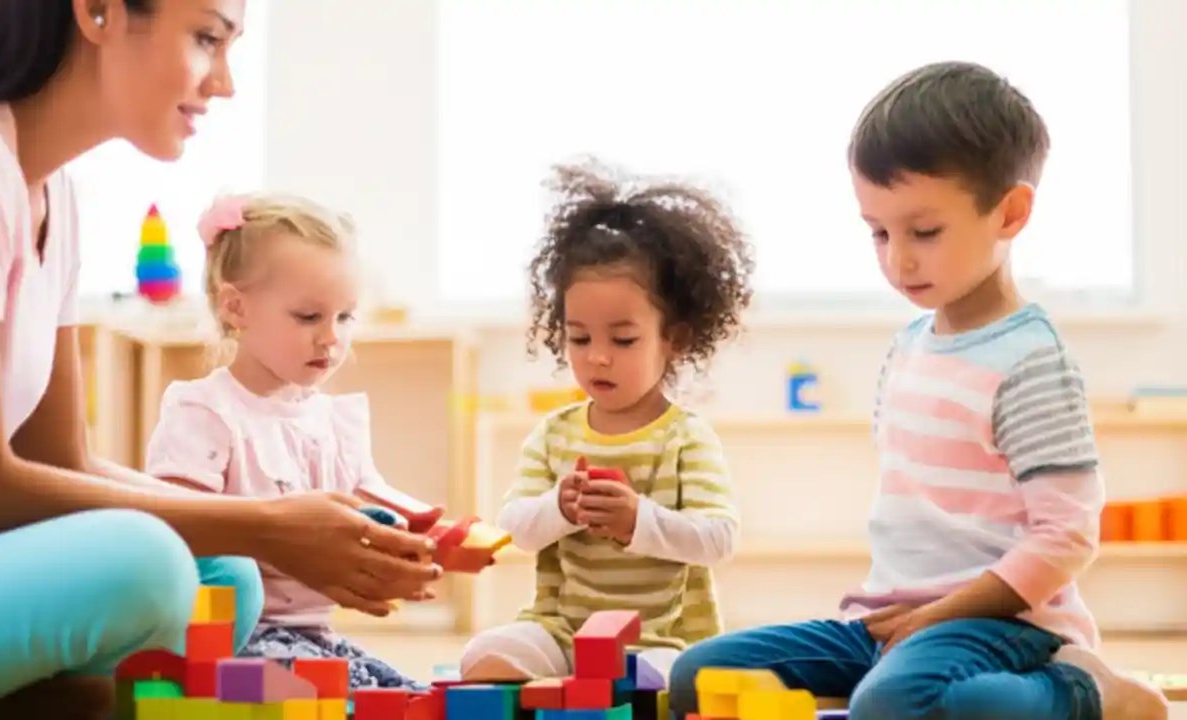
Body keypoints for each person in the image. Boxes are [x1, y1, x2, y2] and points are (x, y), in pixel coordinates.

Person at [0, 2, 437, 717]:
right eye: (206, 39)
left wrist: (272, 522)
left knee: (228, 577)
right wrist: (273, 524)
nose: (225, 84)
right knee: (149, 563)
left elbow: (60, 458)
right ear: (96, 11)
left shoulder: (53, 194)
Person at [668, 61, 1169, 720]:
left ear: (1010, 212)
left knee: (898, 700)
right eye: (879, 231)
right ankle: (901, 684)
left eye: (924, 232)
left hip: (1005, 627)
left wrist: (940, 615)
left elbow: (1066, 536)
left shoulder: (1030, 362)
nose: (897, 260)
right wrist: (909, 621)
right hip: (891, 618)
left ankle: (1090, 692)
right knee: (697, 673)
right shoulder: (908, 348)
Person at [459, 158, 753, 684]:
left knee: (668, 683)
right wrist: (561, 507)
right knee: (483, 656)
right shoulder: (554, 434)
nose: (597, 357)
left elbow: (718, 539)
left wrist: (635, 520)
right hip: (561, 633)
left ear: (675, 338)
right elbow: (515, 530)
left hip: (657, 639)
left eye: (622, 340)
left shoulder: (685, 437)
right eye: (579, 338)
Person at [144, 192, 434, 691]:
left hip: (314, 635)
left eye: (345, 317)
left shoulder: (335, 418)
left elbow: (370, 498)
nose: (331, 338)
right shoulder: (205, 411)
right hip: (235, 638)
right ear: (236, 307)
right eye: (308, 317)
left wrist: (430, 536)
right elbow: (175, 528)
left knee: (412, 698)